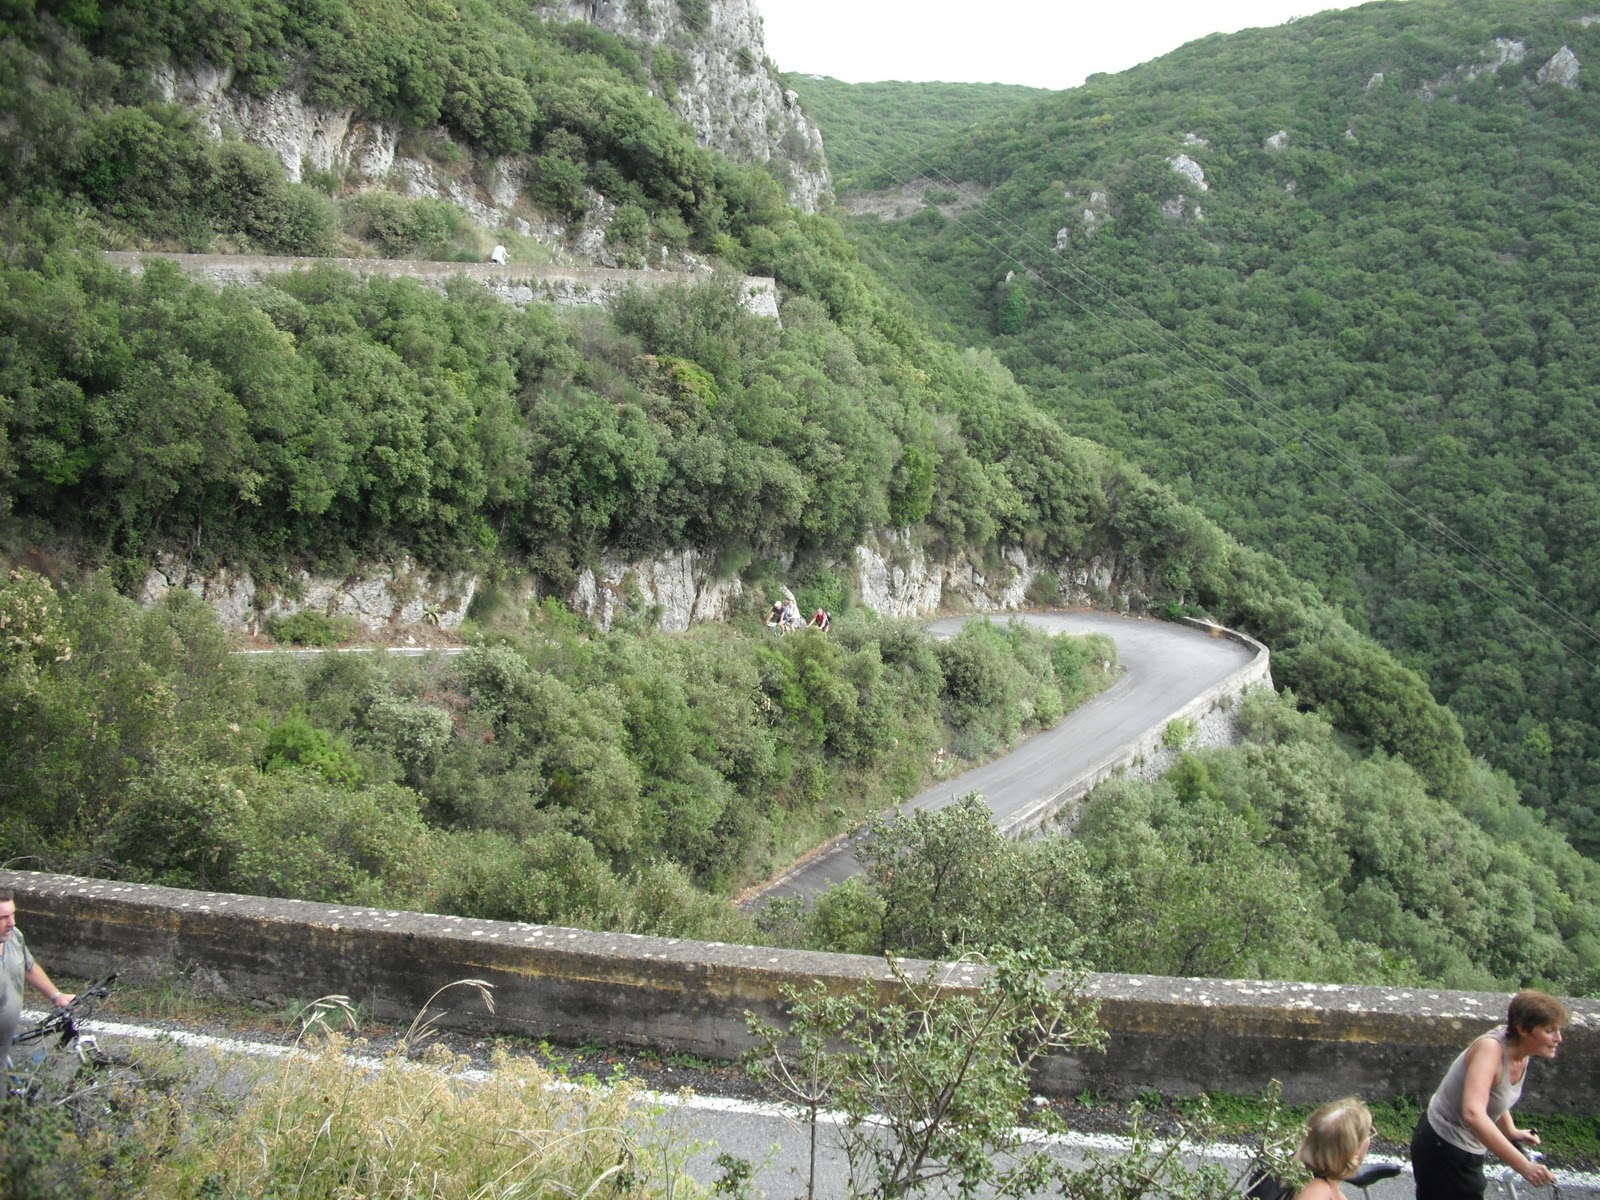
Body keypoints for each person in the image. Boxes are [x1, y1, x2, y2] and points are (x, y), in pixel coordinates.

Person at [1411, 989, 1567, 1200]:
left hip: (1465, 1149)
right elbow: (1473, 1113)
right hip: (1444, 1147)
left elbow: (1493, 1094)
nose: (1558, 1038)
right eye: (1549, 1030)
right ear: (1523, 1029)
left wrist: (1509, 1131)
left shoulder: (1521, 1052)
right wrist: (1524, 1167)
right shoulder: (1490, 1050)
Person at [1, 887, 76, 1065]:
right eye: (3, 918)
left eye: (12, 914)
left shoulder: (14, 937)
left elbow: (29, 967)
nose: (12, 922)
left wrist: (56, 996)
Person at [1292, 1097, 1374, 1200]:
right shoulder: (1317, 1191)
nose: (1369, 1140)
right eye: (1369, 1134)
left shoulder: (1299, 1163)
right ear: (1352, 1152)